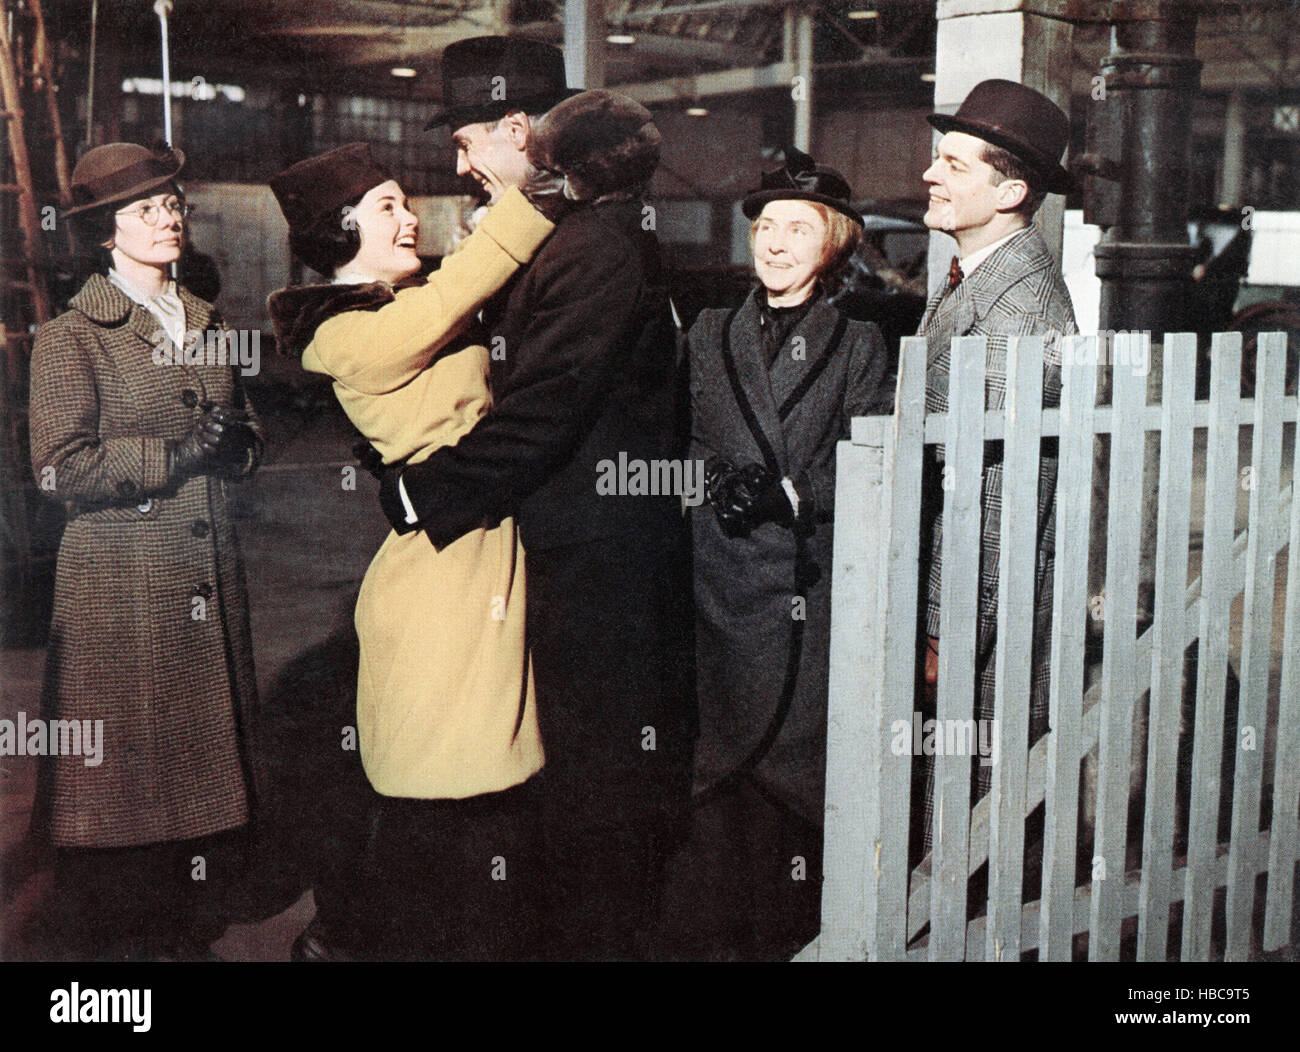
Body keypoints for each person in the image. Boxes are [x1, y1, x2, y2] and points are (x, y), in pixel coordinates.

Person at [376, 37, 695, 960]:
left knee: (600, 797)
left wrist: (418, 494)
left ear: (521, 130)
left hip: (602, 570)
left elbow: (545, 407)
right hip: (569, 552)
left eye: (471, 139)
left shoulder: (595, 246)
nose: (461, 163)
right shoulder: (560, 235)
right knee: (564, 789)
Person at [266, 143, 557, 960]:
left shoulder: (399, 300)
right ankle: (349, 940)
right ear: (342, 228)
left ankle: (360, 936)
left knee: (478, 794)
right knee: (445, 793)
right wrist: (537, 201)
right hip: (439, 582)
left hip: (475, 553)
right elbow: (451, 302)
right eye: (390, 204)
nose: (413, 217)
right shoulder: (340, 334)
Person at [28, 142, 263, 960]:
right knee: (126, 777)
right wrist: (174, 455)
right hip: (120, 580)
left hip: (202, 570)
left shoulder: (206, 318)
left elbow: (239, 424)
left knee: (196, 764)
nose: (166, 221)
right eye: (143, 211)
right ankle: (121, 946)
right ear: (103, 233)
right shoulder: (72, 337)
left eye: (172, 205)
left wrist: (239, 448)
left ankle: (181, 925)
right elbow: (60, 468)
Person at [671, 148, 893, 959]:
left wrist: (793, 495)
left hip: (807, 585)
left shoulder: (862, 341)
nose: (775, 241)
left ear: (832, 243)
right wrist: (718, 481)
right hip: (719, 581)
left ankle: (791, 937)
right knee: (718, 770)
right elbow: (687, 439)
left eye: (797, 227)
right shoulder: (707, 332)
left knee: (792, 778)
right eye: (765, 225)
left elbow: (873, 456)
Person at [915, 79, 1078, 852]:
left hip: (984, 624)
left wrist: (952, 632)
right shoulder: (979, 278)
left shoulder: (1016, 310)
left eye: (952, 163)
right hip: (972, 613)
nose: (930, 175)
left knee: (973, 839)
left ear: (1011, 190)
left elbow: (996, 496)